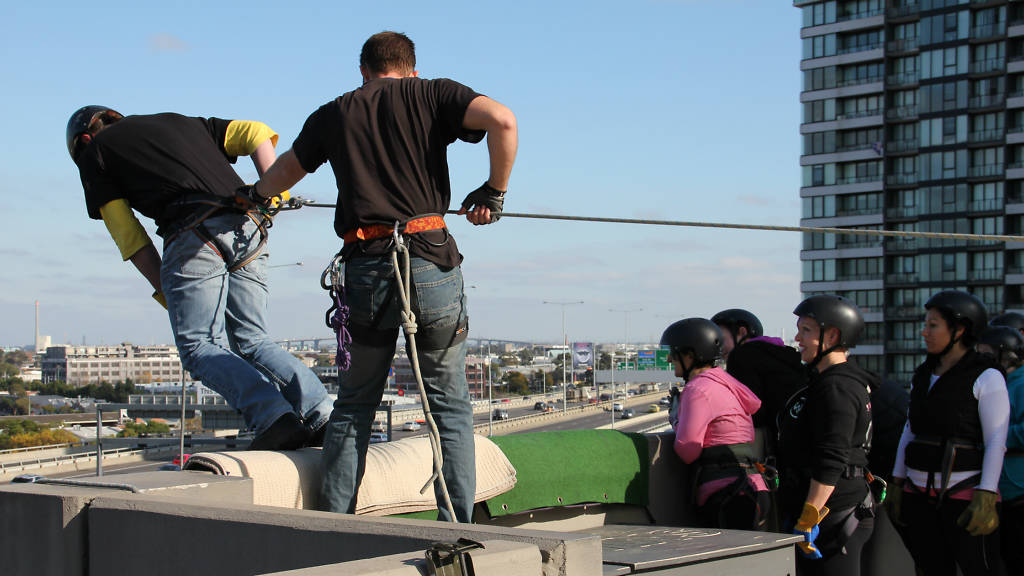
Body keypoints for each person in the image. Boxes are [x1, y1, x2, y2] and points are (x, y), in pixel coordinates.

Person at [254, 31, 517, 522]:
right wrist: (493, 192)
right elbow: (503, 120)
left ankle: (335, 524)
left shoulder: (334, 112)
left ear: (363, 71)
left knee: (354, 408)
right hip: (431, 261)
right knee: (449, 410)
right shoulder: (434, 93)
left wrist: (252, 196)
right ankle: (455, 528)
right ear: (411, 69)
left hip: (368, 266)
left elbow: (286, 170)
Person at [66, 106, 334, 450]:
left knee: (198, 346)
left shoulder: (95, 154)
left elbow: (130, 236)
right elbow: (256, 131)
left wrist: (167, 292)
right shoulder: (180, 121)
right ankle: (322, 413)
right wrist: (273, 196)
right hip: (249, 225)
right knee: (253, 340)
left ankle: (273, 417)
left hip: (192, 231)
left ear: (85, 139)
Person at [888, 291, 1009, 576]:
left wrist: (987, 495)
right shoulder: (923, 373)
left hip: (963, 494)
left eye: (933, 325)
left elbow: (996, 440)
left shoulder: (987, 375)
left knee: (980, 568)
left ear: (960, 330)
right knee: (930, 568)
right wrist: (897, 480)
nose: (924, 331)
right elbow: (910, 429)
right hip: (917, 495)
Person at [780, 295, 875, 576]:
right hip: (831, 510)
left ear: (832, 335)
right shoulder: (827, 381)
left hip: (833, 514)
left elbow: (833, 454)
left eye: (806, 330)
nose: (797, 337)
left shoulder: (837, 387)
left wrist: (810, 515)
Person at [660, 318, 770, 530]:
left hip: (726, 494)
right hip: (753, 487)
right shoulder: (724, 381)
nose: (668, 359)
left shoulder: (698, 389)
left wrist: (676, 419)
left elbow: (687, 450)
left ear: (690, 355)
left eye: (673, 353)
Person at [711, 308, 806, 456]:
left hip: (774, 447)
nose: (718, 347)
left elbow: (750, 412)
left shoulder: (741, 356)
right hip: (796, 439)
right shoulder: (783, 353)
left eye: (720, 339)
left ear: (742, 332)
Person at [978, 325, 1024, 574]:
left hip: (1016, 488)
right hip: (1000, 488)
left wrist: (996, 434)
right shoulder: (999, 382)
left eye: (985, 353)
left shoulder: (1021, 384)